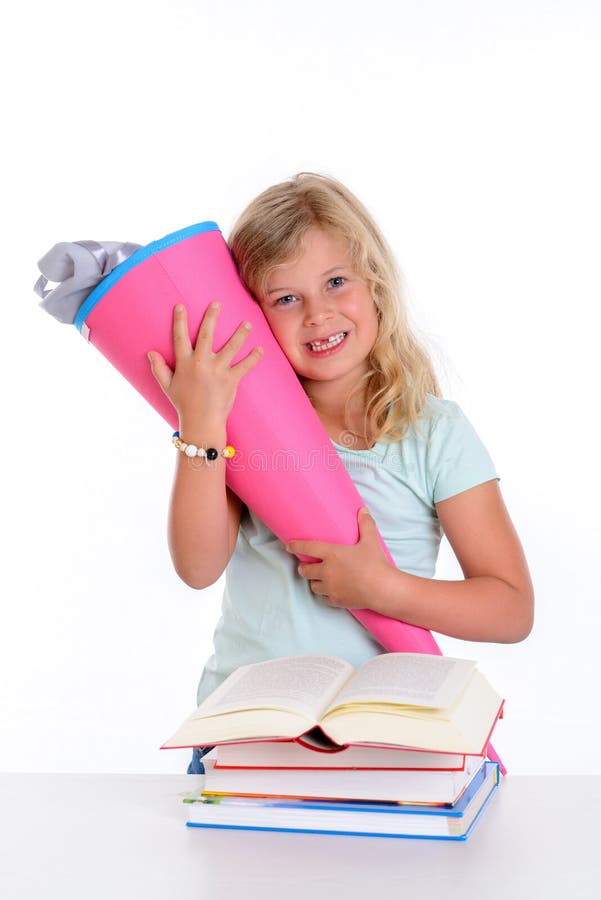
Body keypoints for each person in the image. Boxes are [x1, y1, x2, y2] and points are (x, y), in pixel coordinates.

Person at [147, 172, 534, 774]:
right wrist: (200, 427)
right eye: (285, 298)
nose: (318, 314)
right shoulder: (239, 430)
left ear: (374, 283)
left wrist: (383, 590)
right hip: (251, 738)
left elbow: (511, 610)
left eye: (335, 282)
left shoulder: (433, 432)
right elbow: (197, 568)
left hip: (389, 745)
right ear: (254, 318)